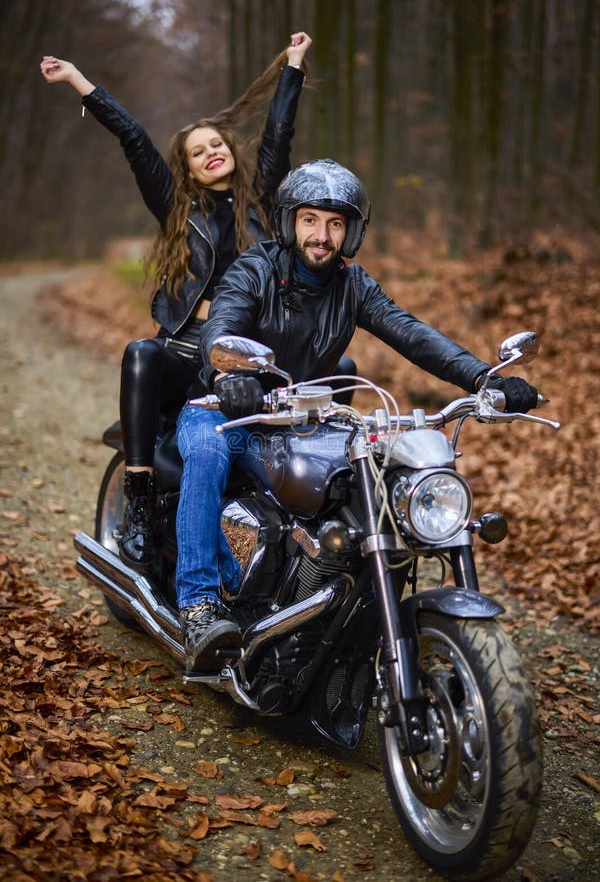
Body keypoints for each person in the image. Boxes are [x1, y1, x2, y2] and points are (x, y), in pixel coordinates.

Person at [174, 158, 540, 673]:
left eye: (335, 224)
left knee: (365, 470)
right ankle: (199, 606)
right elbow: (224, 322)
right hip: (223, 409)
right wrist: (227, 374)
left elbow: (410, 333)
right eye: (310, 220)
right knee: (208, 451)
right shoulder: (254, 269)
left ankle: (331, 604)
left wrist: (485, 379)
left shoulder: (352, 286)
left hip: (299, 419)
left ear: (350, 232)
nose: (321, 236)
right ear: (289, 222)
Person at [39, 33, 313, 570]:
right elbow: (135, 139)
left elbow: (279, 134)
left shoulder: (262, 206)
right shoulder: (177, 209)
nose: (211, 153)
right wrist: (77, 81)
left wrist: (294, 66)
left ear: (231, 154)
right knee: (141, 353)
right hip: (191, 355)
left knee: (339, 369)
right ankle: (139, 499)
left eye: (217, 145)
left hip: (257, 355)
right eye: (197, 151)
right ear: (186, 169)